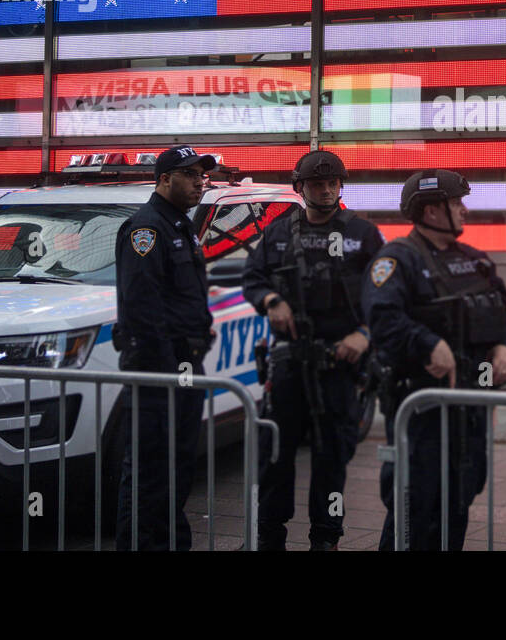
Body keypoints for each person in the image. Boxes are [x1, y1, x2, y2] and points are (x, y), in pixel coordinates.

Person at [362, 169, 506, 551]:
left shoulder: (476, 261)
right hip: (422, 411)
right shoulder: (398, 260)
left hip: (469, 406)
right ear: (431, 211)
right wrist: (428, 343)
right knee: (413, 509)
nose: (464, 210)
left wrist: (505, 346)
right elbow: (382, 318)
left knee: (458, 502)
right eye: (455, 204)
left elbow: (504, 314)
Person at [241, 149, 385, 551]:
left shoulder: (363, 234)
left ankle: (327, 538)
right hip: (289, 366)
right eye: (316, 183)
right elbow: (252, 276)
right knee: (275, 457)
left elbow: (387, 296)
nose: (325, 190)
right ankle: (269, 537)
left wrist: (364, 333)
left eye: (332, 183)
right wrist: (271, 300)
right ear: (300, 187)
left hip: (340, 366)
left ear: (341, 186)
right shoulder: (279, 232)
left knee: (332, 460)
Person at [113, 145, 217, 551]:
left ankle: (171, 543)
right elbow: (143, 308)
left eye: (201, 175)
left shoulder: (179, 225)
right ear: (164, 179)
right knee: (147, 472)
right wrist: (167, 367)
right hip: (159, 370)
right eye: (189, 175)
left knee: (177, 467)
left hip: (184, 367)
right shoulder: (147, 229)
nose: (198, 182)